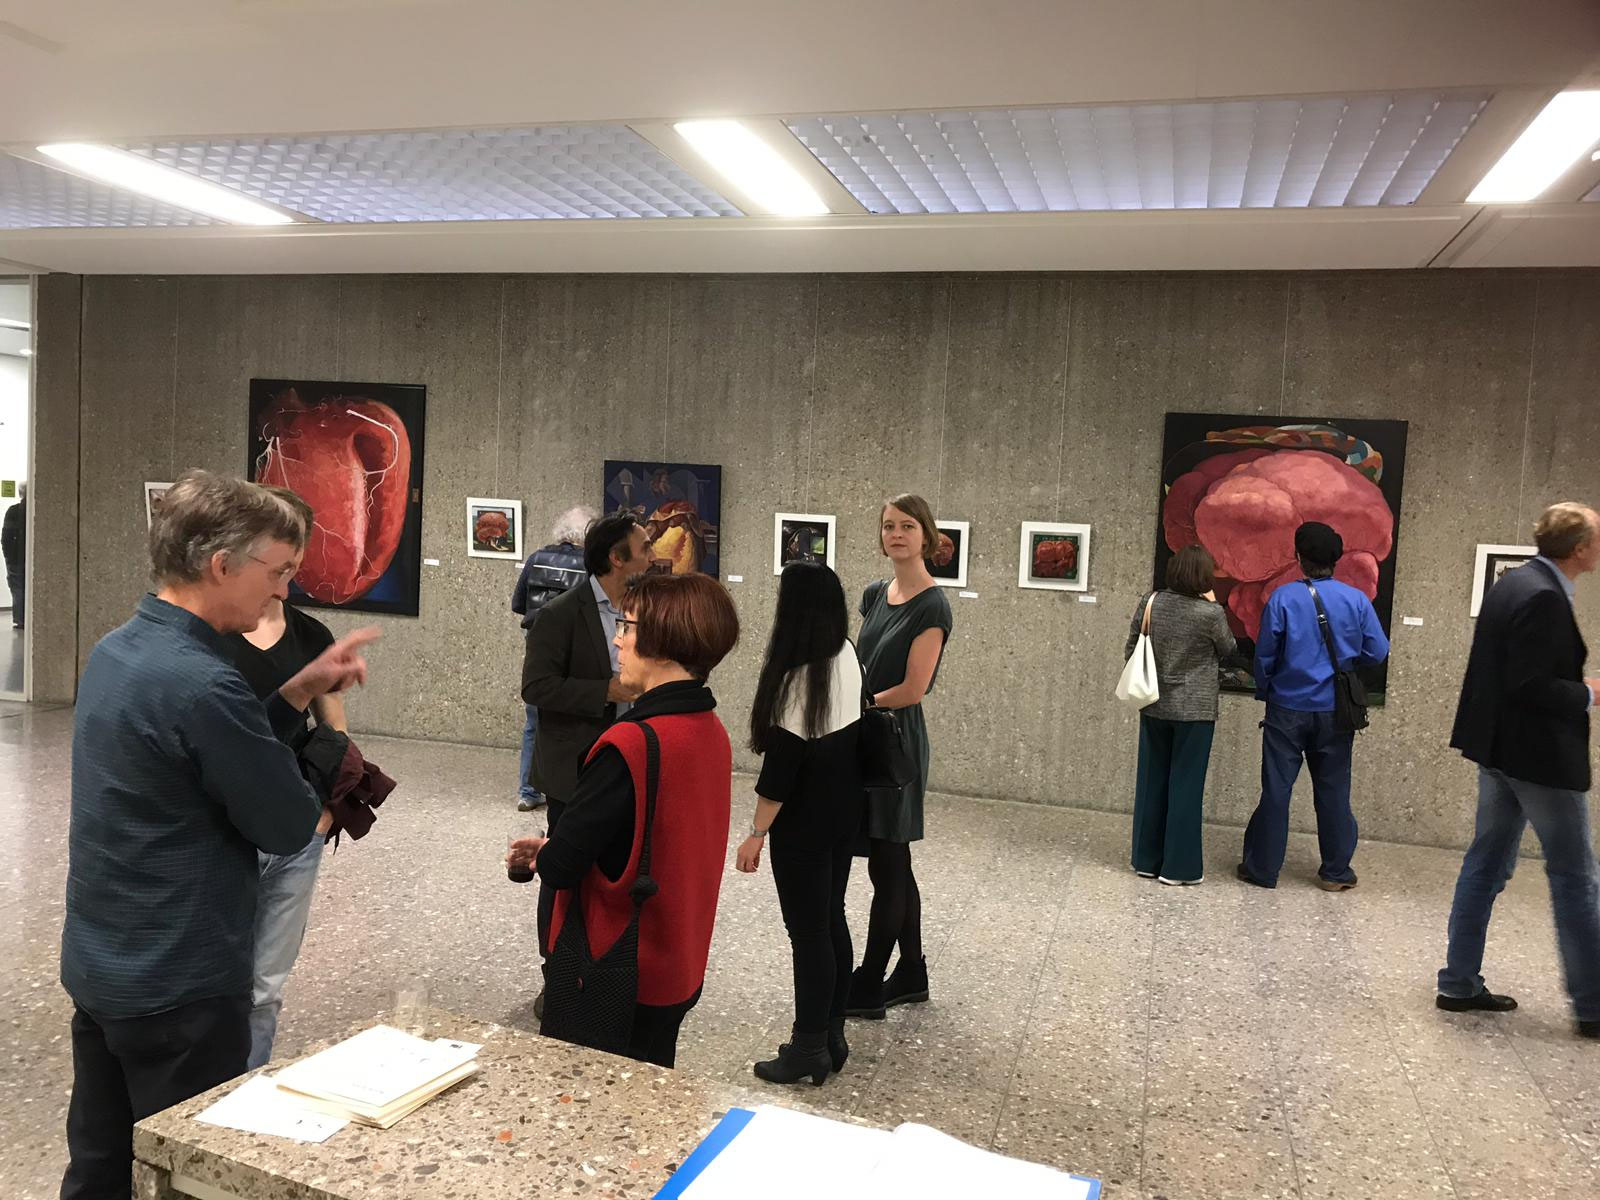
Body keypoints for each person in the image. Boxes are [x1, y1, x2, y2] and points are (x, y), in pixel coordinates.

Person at [59, 469, 378, 1200]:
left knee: (101, 1164)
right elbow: (285, 821)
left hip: (106, 965)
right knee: (191, 1175)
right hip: (181, 984)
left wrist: (296, 691)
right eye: (277, 573)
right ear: (221, 565)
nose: (282, 593)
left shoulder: (120, 651)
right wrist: (323, 780)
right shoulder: (205, 683)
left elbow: (195, 756)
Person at [508, 572, 739, 1067]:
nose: (618, 638)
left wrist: (549, 851)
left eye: (628, 626)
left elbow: (563, 866)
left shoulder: (630, 743)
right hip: (678, 959)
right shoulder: (710, 729)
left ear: (663, 641)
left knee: (589, 1111)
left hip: (617, 968)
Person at [1438, 502, 1600, 1035]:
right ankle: (1593, 1005)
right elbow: (1530, 684)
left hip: (1500, 752)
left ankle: (1458, 983)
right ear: (1579, 548)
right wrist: (1589, 694)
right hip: (1538, 759)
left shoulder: (1516, 583)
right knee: (1576, 878)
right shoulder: (1545, 596)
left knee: (1485, 863)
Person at [220, 487, 346, 1070]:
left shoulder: (310, 636)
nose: (285, 581)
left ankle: (245, 1088)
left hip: (294, 833)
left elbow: (335, 735)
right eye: (278, 566)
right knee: (218, 980)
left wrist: (321, 813)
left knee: (264, 986)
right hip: (227, 833)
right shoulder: (209, 637)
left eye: (294, 566)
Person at [737, 562, 864, 1085]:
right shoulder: (847, 655)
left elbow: (779, 775)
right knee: (831, 920)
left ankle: (809, 1044)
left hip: (804, 826)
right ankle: (832, 1033)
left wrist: (755, 833)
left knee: (807, 933)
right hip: (844, 812)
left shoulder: (797, 679)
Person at [520, 513, 651, 1011]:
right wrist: (605, 691)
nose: (651, 555)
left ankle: (602, 967)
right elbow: (536, 688)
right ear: (616, 559)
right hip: (575, 769)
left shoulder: (644, 609)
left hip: (631, 763)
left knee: (616, 869)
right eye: (642, 548)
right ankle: (555, 971)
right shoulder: (558, 616)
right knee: (564, 868)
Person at [845, 493, 952, 1020]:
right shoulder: (873, 592)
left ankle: (869, 980)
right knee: (892, 861)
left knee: (889, 862)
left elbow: (914, 688)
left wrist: (858, 702)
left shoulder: (933, 605)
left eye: (907, 525)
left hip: (895, 739)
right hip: (865, 732)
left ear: (926, 536)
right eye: (888, 525)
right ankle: (911, 971)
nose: (896, 534)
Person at [1237, 521, 1389, 891]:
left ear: (1299, 558)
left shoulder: (1283, 599)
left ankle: (1263, 869)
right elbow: (1378, 651)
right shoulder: (1356, 600)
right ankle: (1336, 872)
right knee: (1334, 789)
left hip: (1287, 708)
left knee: (1277, 789)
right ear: (1336, 560)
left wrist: (1269, 689)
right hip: (1337, 711)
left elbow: (1265, 657)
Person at [1125, 544, 1236, 886]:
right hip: (1195, 710)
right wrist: (1215, 604)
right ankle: (1178, 868)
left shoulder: (1151, 601)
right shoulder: (1210, 614)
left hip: (1153, 702)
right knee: (1185, 787)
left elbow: (1131, 647)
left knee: (1151, 782)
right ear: (1203, 576)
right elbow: (1229, 651)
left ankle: (1146, 860)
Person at [511, 506, 595, 811]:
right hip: (576, 650)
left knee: (534, 721)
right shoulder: (590, 565)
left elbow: (518, 604)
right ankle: (567, 788)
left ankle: (527, 791)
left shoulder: (535, 559)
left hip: (537, 646)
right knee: (573, 721)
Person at [2, 482, 24, 628]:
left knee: (17, 589)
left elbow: (6, 537)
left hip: (16, 559)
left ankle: (20, 620)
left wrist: (8, 557)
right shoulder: (40, 510)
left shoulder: (14, 511)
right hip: (31, 559)